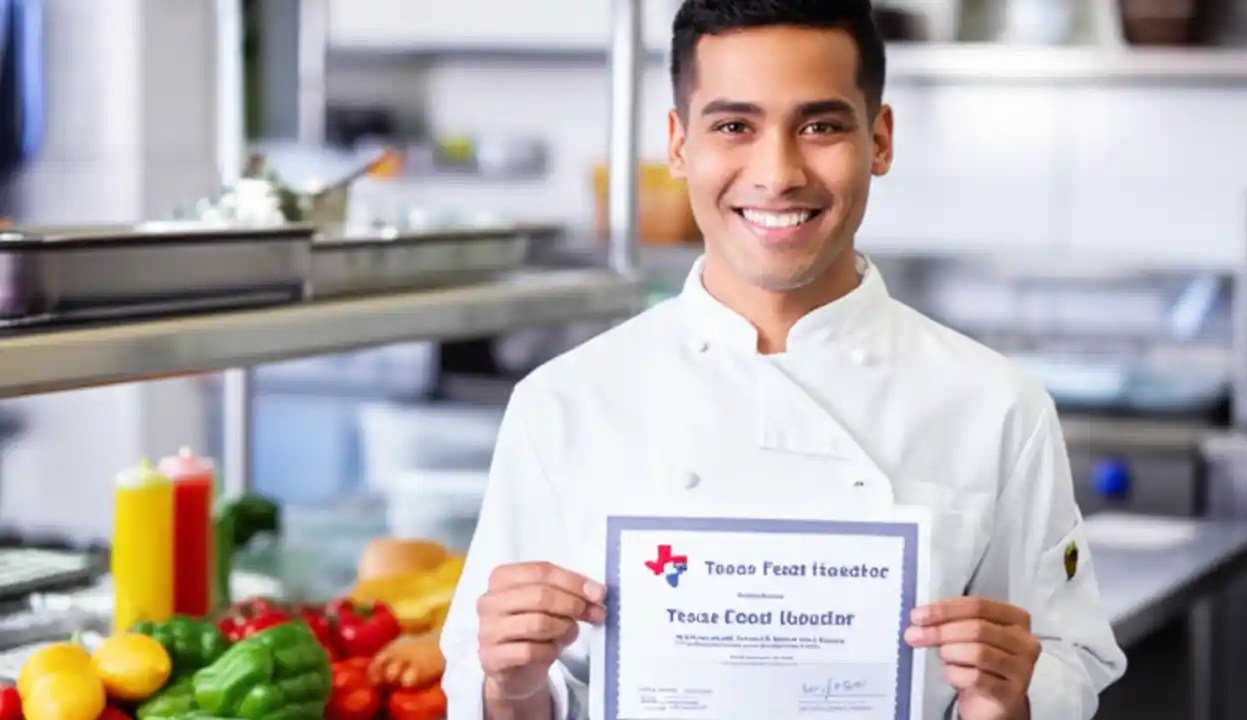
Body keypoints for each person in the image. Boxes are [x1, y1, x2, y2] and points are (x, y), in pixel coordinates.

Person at [439, 1, 1127, 718]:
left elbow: (1071, 658)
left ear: (880, 141)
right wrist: (510, 688)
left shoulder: (996, 406)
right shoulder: (563, 404)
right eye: (734, 126)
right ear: (678, 145)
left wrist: (1009, 700)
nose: (777, 173)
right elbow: (487, 685)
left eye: (820, 126)